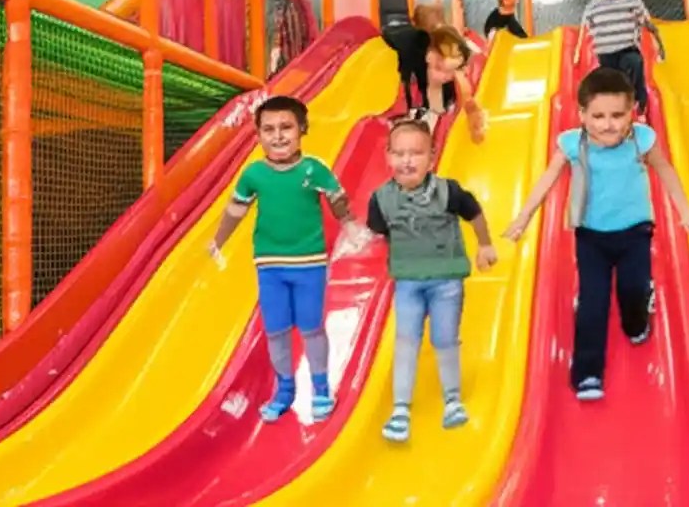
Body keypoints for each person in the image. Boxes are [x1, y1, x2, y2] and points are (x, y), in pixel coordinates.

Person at [503, 67, 689, 401]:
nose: (607, 124)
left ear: (633, 111)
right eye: (598, 116)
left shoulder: (642, 138)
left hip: (635, 232)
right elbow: (548, 179)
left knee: (632, 288)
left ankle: (637, 321)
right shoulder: (571, 143)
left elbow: (665, 169)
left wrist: (685, 210)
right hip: (591, 237)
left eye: (617, 115)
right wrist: (523, 217)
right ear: (582, 115)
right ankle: (588, 372)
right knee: (593, 303)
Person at [209, 95, 354, 422]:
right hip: (270, 266)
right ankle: (284, 390)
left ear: (302, 129)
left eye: (286, 127)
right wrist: (218, 240)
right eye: (268, 129)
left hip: (309, 264)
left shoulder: (313, 169)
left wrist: (351, 225)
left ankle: (319, 389)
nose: (278, 136)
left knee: (311, 327)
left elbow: (338, 199)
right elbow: (236, 208)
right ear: (258, 135)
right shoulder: (254, 174)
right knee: (276, 330)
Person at [366, 119, 498, 442]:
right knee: (406, 340)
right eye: (399, 153)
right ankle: (400, 409)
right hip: (408, 282)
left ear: (432, 157)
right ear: (388, 156)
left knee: (444, 339)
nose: (407, 160)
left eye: (415, 153)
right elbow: (380, 233)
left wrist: (485, 244)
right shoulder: (381, 199)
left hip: (446, 280)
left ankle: (452, 399)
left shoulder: (448, 191)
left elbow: (474, 212)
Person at [574, 0, 665, 118]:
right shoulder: (593, 6)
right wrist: (577, 55)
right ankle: (611, 111)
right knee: (605, 84)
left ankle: (638, 104)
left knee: (634, 62)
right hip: (605, 55)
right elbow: (583, 33)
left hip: (627, 49)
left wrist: (658, 45)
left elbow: (647, 23)